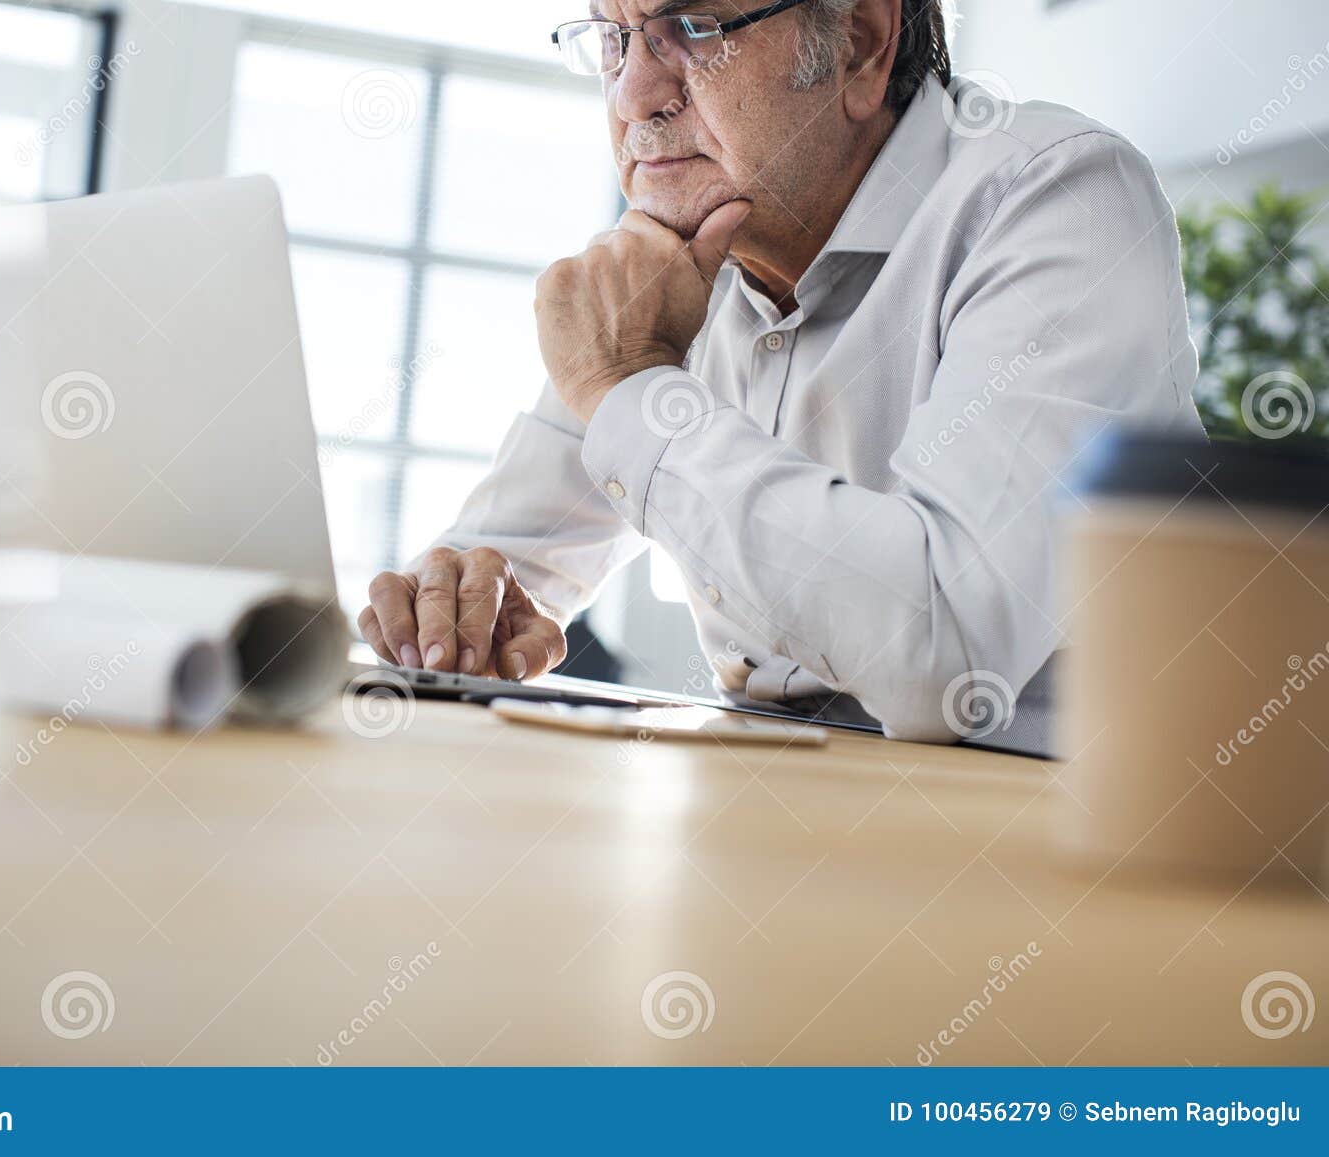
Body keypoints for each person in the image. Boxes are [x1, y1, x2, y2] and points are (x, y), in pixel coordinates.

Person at [358, 0, 1204, 742]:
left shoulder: (1061, 196)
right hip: (771, 815)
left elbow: (946, 656)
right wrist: (456, 607)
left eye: (691, 27)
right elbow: (501, 563)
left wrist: (632, 388)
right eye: (613, 40)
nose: (632, 96)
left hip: (1059, 858)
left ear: (861, 43)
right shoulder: (678, 259)